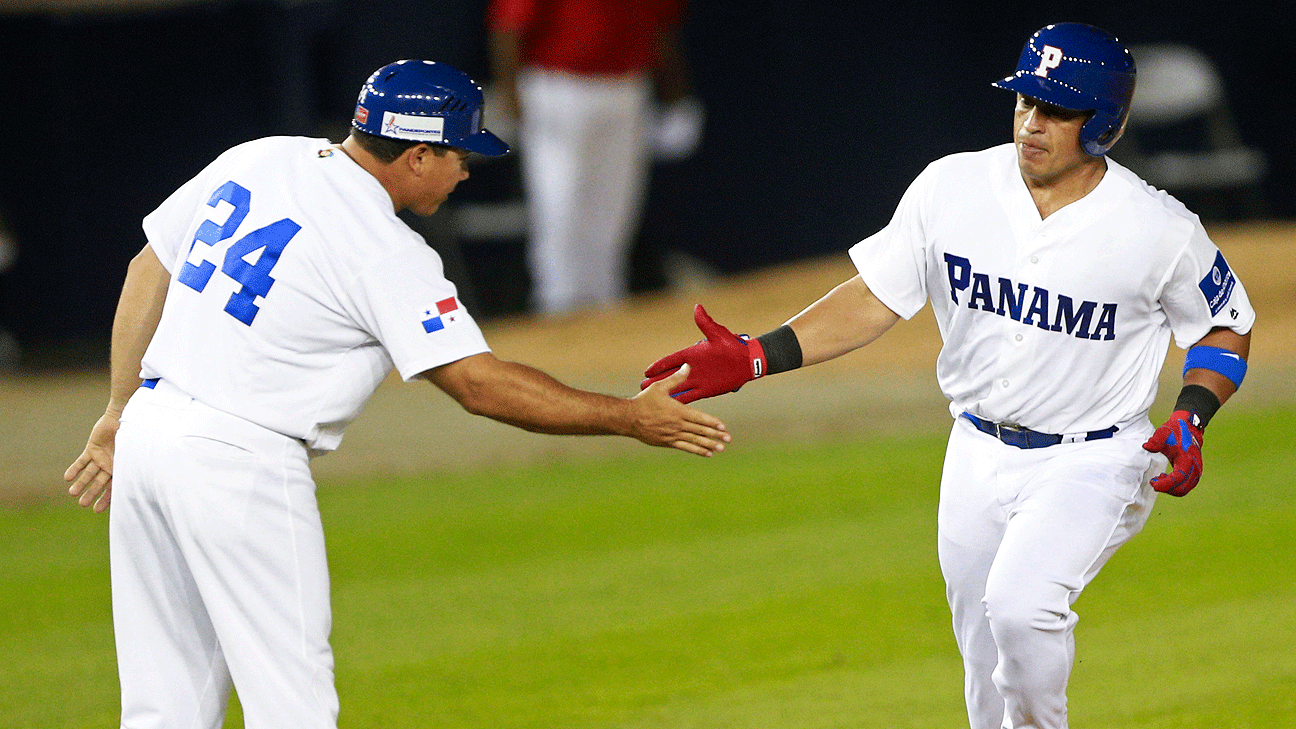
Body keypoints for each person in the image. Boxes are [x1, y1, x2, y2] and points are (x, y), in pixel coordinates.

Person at [64, 59, 730, 729]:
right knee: (293, 706)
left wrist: (119, 409)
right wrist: (628, 417)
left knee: (163, 707)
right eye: (459, 154)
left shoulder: (261, 157)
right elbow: (477, 383)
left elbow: (147, 266)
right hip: (238, 463)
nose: (466, 172)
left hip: (148, 432)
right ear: (416, 155)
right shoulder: (384, 248)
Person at [641, 23, 1253, 729]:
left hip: (1095, 457)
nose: (1031, 122)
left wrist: (1195, 413)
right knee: (984, 658)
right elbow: (875, 296)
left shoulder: (1157, 228)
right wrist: (756, 353)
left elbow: (1223, 322)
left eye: (1056, 110)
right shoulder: (953, 185)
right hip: (974, 450)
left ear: (1105, 125)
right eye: (1025, 100)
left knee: (1023, 610)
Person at [486, 0, 698, 315]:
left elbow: (660, 24)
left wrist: (676, 97)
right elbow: (508, 24)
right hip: (559, 87)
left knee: (613, 208)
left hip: (627, 86)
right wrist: (510, 94)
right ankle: (556, 307)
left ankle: (605, 306)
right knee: (560, 207)